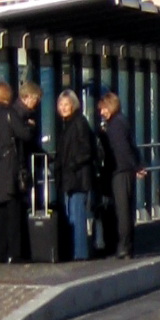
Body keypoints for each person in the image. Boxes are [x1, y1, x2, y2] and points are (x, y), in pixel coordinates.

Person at [0, 81, 30, 264]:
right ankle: (14, 253)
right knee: (13, 213)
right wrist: (30, 126)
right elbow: (24, 134)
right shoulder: (10, 114)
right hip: (9, 167)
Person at [54, 90, 95, 261]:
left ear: (74, 105)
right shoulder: (68, 124)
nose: (63, 108)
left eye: (66, 104)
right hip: (71, 177)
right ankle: (75, 251)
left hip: (77, 177)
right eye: (61, 105)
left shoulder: (79, 123)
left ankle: (80, 253)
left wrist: (72, 163)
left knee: (77, 215)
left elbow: (87, 150)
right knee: (72, 215)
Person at [98, 92, 138, 259]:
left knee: (122, 210)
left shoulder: (115, 125)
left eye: (104, 108)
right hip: (125, 169)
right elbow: (131, 146)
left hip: (120, 171)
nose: (101, 112)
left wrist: (133, 165)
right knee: (125, 209)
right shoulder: (121, 121)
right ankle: (126, 245)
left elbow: (121, 149)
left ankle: (124, 246)